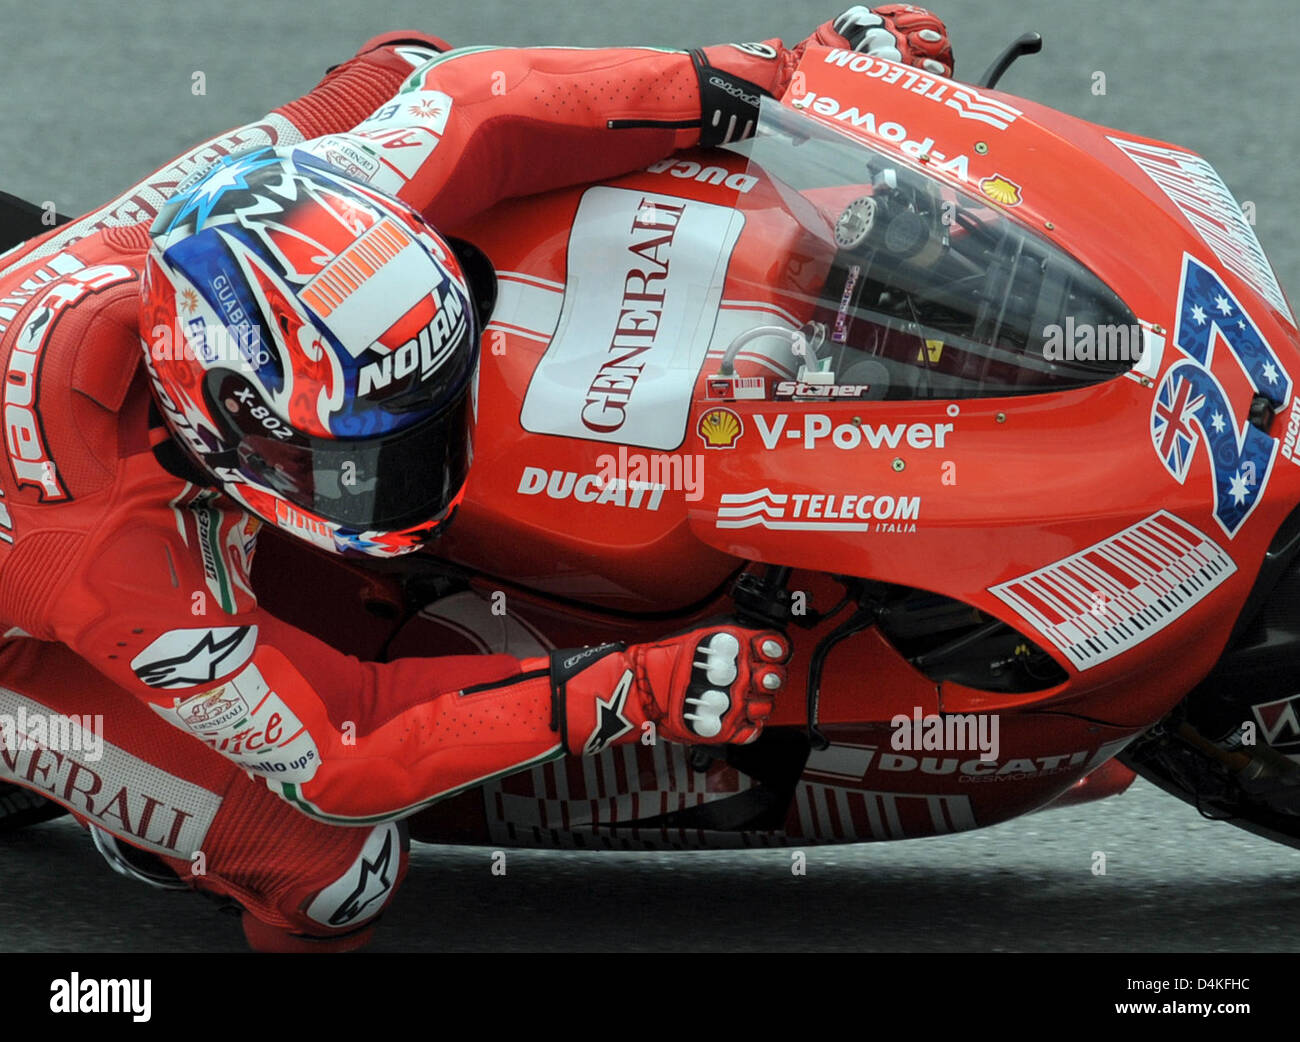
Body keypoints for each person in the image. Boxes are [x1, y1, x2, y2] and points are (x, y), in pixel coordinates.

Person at [0, 5, 953, 950]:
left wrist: (775, 84)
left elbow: (474, 103)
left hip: (82, 308)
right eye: (361, 456)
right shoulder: (108, 564)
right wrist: (629, 692)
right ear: (226, 419)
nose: (408, 473)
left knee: (400, 68)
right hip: (26, 631)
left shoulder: (281, 211)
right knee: (336, 874)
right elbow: (345, 747)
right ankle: (157, 840)